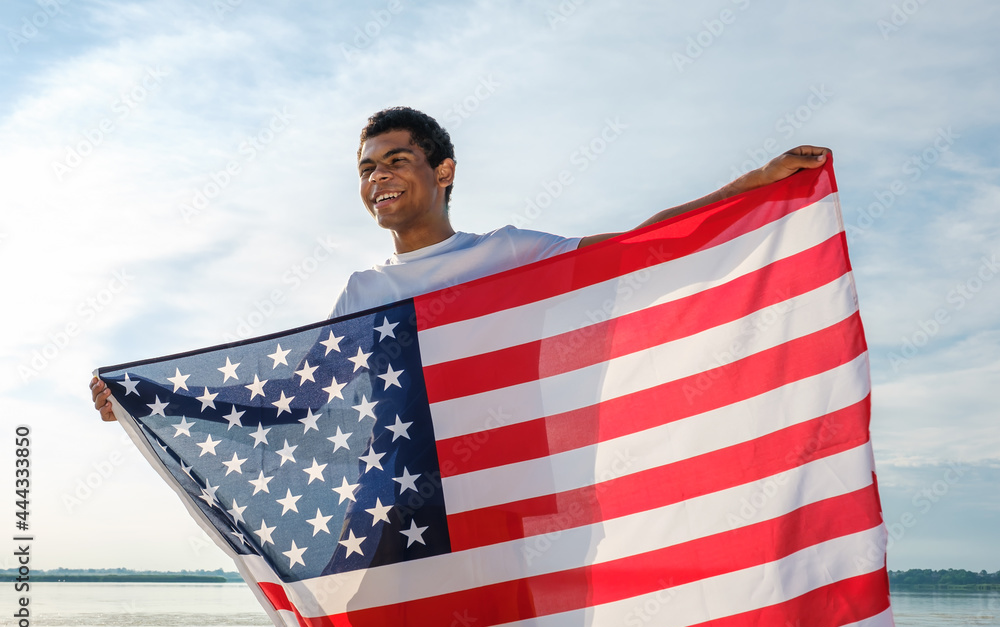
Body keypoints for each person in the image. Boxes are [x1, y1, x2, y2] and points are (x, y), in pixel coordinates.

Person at [90, 106, 830, 420]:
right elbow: (296, 400)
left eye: (397, 159)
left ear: (443, 170)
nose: (377, 176)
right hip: (402, 505)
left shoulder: (507, 255)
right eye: (366, 166)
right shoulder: (366, 291)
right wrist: (156, 398)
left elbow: (633, 247)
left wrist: (752, 184)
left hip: (517, 500)